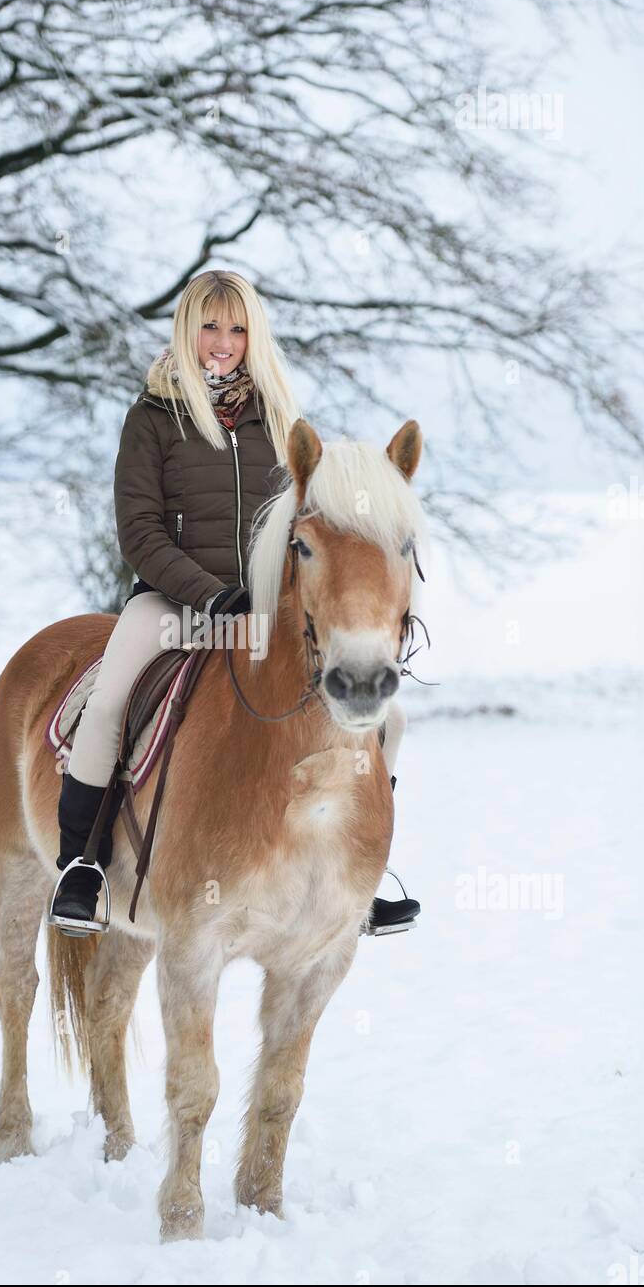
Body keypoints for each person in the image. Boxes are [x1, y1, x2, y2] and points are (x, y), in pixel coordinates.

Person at [47, 270, 419, 935]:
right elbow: (140, 532)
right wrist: (207, 594)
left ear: (254, 336)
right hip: (171, 605)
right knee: (108, 703)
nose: (222, 342)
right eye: (209, 327)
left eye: (237, 328)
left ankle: (362, 870)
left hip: (260, 614)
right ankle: (80, 866)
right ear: (187, 332)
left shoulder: (282, 424)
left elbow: (318, 524)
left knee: (387, 722)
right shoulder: (152, 418)